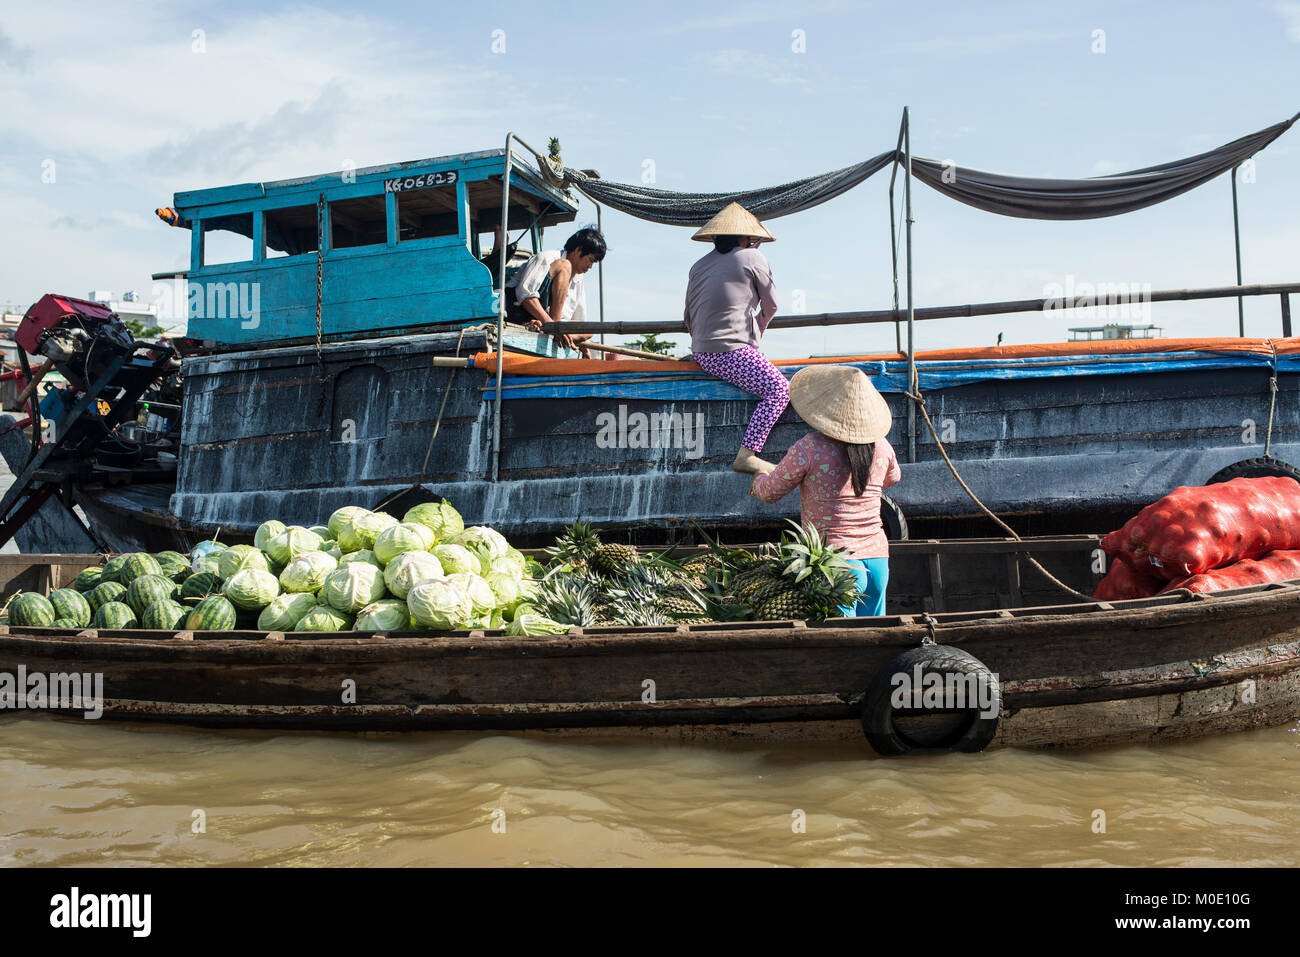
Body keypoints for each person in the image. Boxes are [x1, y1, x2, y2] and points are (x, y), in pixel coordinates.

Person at [749, 365, 901, 617]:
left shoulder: (810, 447)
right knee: (874, 639)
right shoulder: (882, 446)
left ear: (827, 410)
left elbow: (769, 492)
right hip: (877, 559)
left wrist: (759, 474)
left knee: (841, 643)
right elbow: (892, 478)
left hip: (836, 564)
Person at [683, 202, 785, 474]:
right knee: (779, 390)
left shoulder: (698, 266)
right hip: (728, 352)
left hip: (701, 351)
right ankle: (747, 455)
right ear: (747, 238)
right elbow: (772, 306)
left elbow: (687, 317)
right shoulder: (754, 258)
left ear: (714, 237)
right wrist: (757, 331)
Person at [505, 226, 606, 357]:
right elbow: (525, 295)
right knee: (566, 266)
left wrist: (583, 346)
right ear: (578, 250)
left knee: (590, 328)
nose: (590, 267)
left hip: (545, 322)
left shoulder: (578, 279)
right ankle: (553, 330)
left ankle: (550, 330)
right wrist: (554, 326)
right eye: (590, 260)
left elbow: (578, 319)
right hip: (516, 311)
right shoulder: (547, 258)